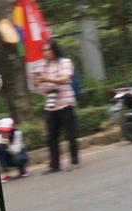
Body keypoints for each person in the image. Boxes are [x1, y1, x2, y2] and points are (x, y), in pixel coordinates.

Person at [33, 41, 79, 173]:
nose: (45, 52)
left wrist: (46, 78)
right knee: (51, 136)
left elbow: (65, 79)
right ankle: (54, 165)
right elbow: (36, 83)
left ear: (54, 50)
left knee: (70, 134)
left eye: (47, 49)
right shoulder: (41, 65)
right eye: (43, 50)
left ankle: (74, 161)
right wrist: (35, 80)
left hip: (65, 102)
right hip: (50, 104)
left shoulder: (65, 62)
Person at [0, 117, 28, 182]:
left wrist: (8, 145)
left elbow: (16, 151)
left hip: (18, 154)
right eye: (2, 131)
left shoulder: (17, 133)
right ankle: (7, 174)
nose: (4, 132)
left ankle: (22, 169)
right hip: (8, 157)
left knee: (18, 158)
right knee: (0, 150)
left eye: (6, 131)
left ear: (11, 129)